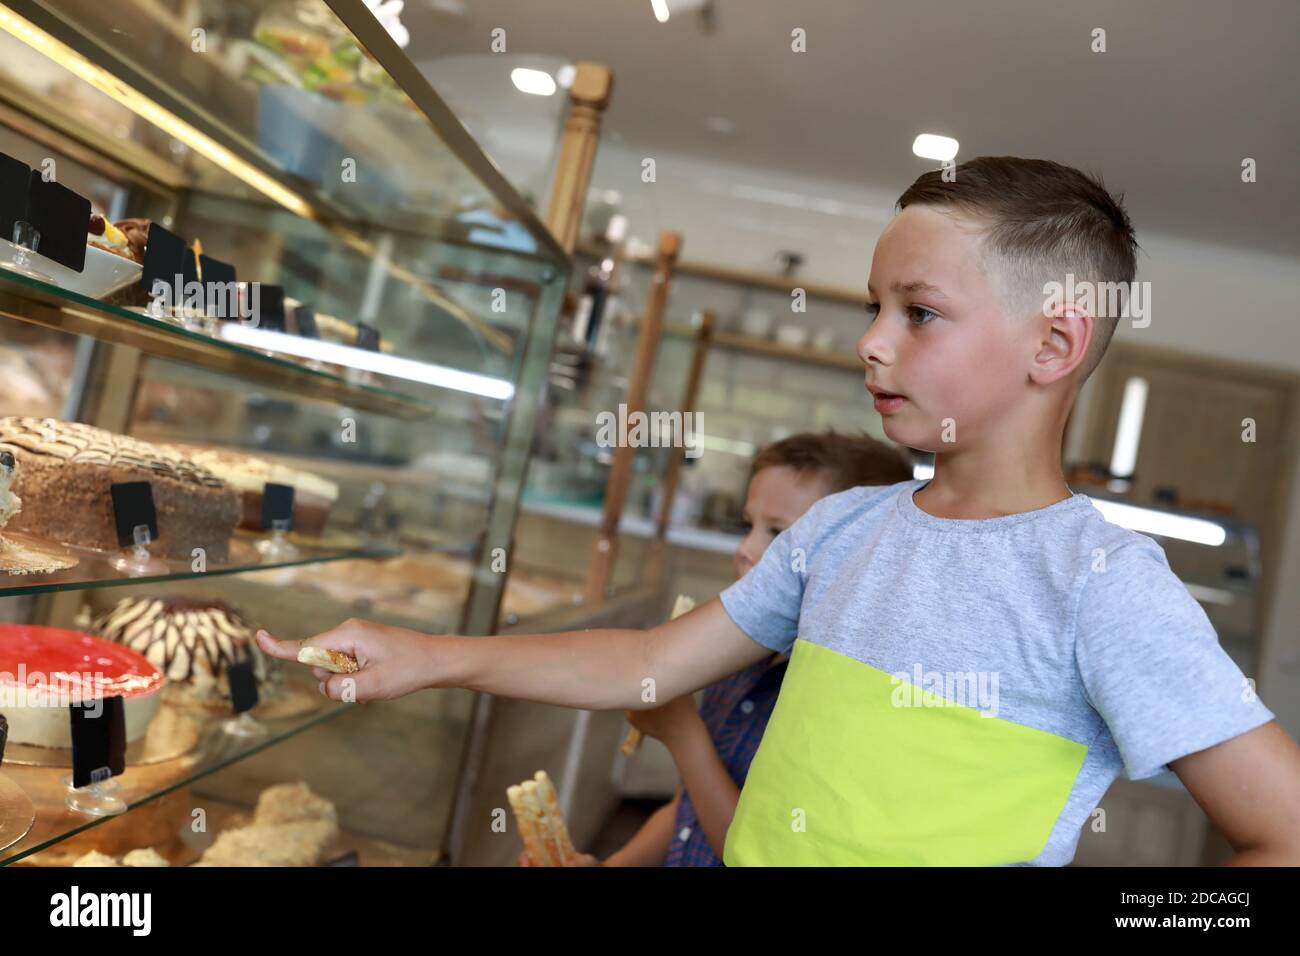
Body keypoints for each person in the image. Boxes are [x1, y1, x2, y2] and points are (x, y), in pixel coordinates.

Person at [259, 157, 1300, 865]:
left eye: (919, 312)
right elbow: (645, 665)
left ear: (1053, 346)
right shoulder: (844, 529)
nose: (871, 341)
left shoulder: (1101, 584)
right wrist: (428, 652)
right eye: (871, 307)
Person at [555, 432, 913, 867]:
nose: (746, 550)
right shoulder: (737, 660)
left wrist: (683, 734)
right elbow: (686, 807)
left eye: (780, 534)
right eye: (749, 526)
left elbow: (754, 850)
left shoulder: (836, 701)